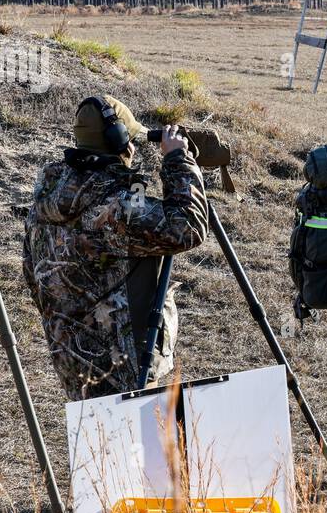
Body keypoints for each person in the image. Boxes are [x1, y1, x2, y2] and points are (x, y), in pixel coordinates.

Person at [23, 95, 208, 400]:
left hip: (73, 360)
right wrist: (178, 160)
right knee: (138, 446)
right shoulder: (115, 210)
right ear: (120, 142)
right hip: (127, 368)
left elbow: (34, 277)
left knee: (98, 445)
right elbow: (187, 226)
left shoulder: (45, 202)